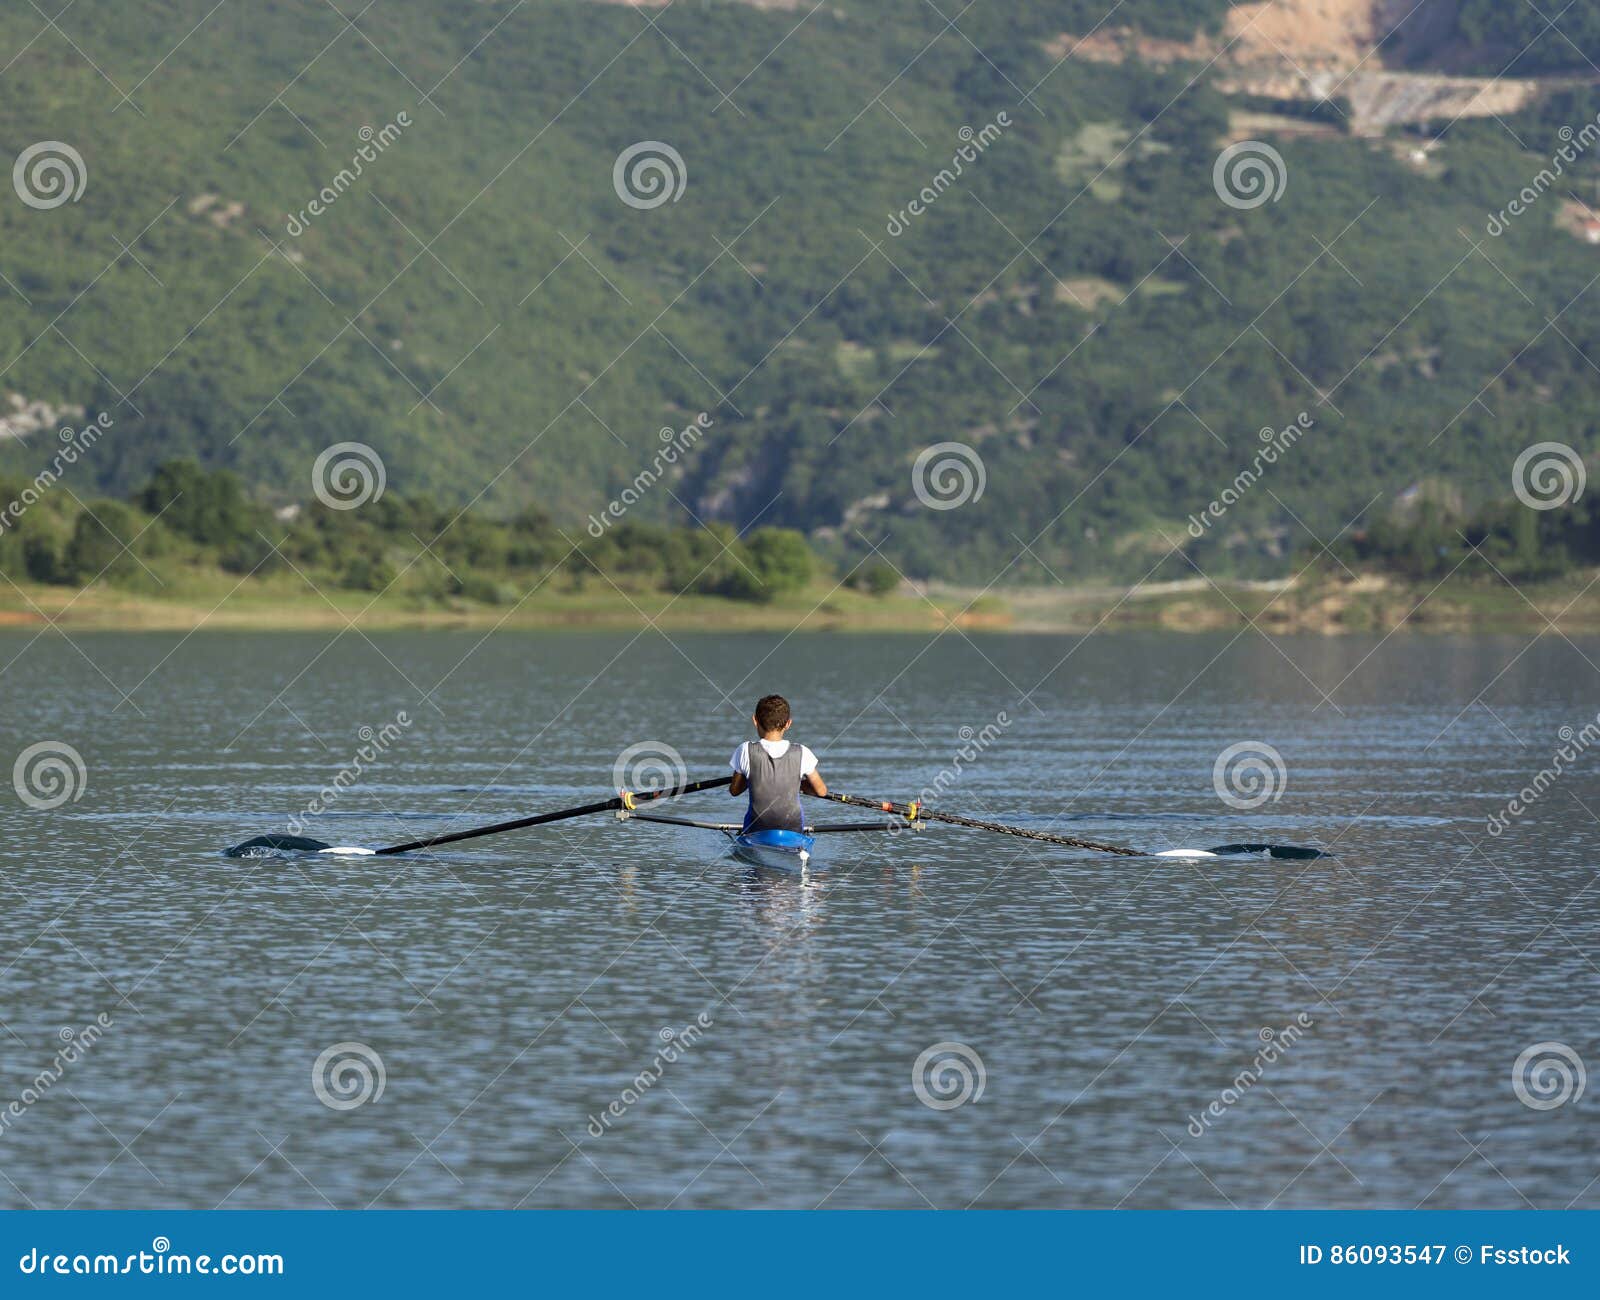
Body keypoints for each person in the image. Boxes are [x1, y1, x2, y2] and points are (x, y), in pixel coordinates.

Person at [729, 694, 827, 831]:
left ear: (755, 720)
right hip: (792, 829)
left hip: (757, 828)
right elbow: (821, 791)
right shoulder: (802, 751)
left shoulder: (745, 749)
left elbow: (734, 790)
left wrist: (752, 779)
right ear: (788, 724)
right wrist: (795, 784)